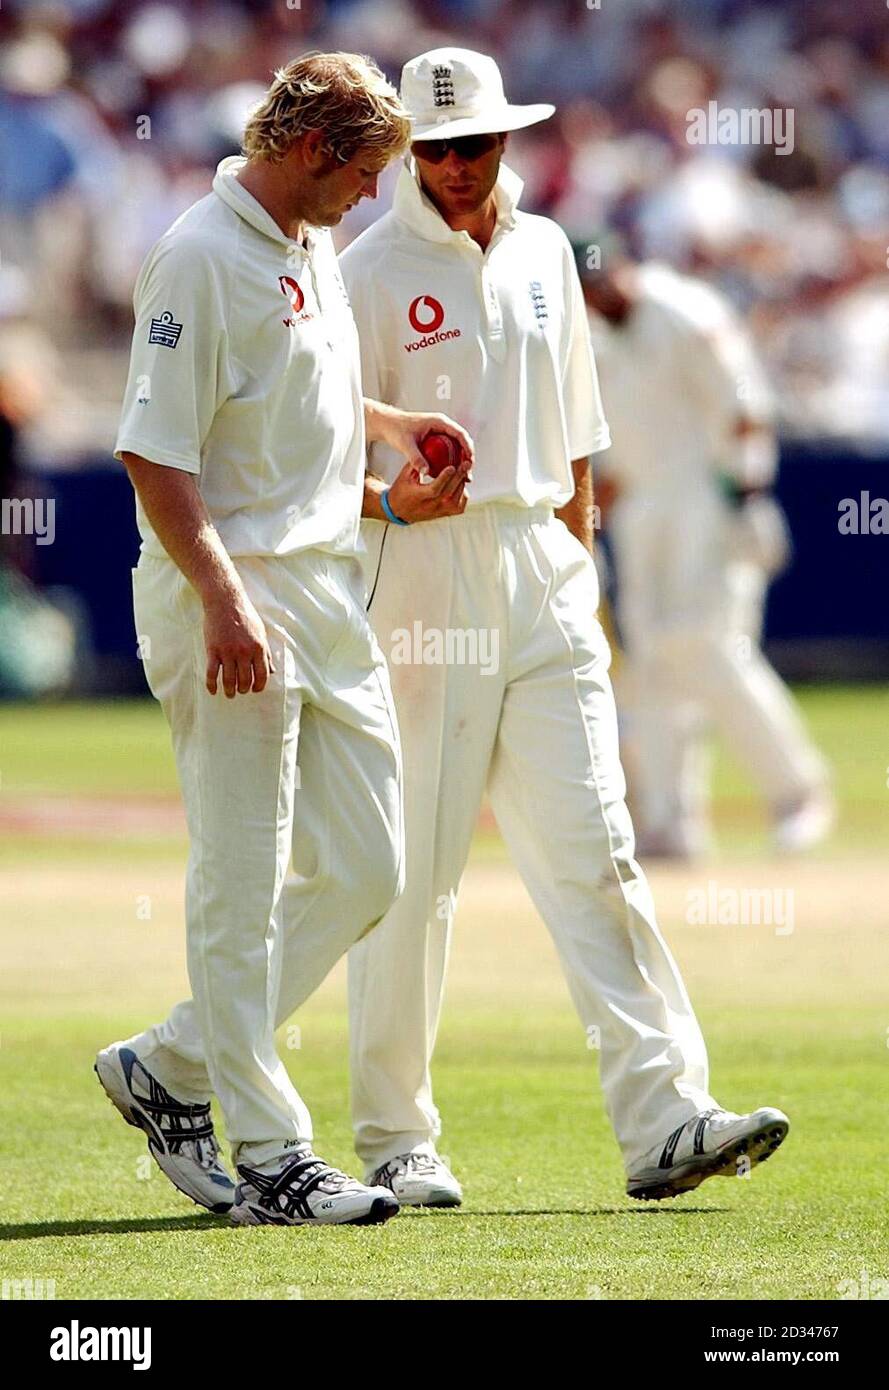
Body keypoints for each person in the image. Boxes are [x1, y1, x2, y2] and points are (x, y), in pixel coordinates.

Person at [339, 48, 790, 1207]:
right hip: (423, 576)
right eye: (428, 148)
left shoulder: (546, 253)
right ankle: (396, 1136)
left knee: (597, 848)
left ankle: (665, 1117)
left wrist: (575, 571)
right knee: (413, 871)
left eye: (469, 145)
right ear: (403, 151)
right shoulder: (366, 267)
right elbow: (324, 448)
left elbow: (580, 437)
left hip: (539, 562)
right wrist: (396, 505)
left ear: (506, 141)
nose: (449, 168)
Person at [95, 52, 473, 1229]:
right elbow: (156, 452)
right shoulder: (198, 257)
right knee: (240, 879)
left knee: (370, 864)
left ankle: (173, 1062)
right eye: (363, 173)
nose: (370, 198)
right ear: (312, 150)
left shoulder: (302, 243)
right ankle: (271, 1154)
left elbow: (283, 398)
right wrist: (221, 598)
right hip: (234, 601)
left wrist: (392, 430)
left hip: (322, 588)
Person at [581, 247, 833, 858]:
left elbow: (744, 408)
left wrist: (749, 498)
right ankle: (671, 823)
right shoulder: (589, 334)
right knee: (652, 666)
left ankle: (798, 792)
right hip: (644, 517)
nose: (595, 295)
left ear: (617, 267)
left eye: (598, 280)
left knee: (710, 647)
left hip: (707, 501)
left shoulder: (683, 309)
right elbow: (610, 455)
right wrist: (584, 527)